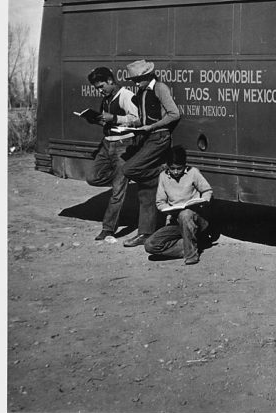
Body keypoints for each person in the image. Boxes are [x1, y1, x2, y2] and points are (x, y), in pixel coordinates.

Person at [121, 60, 181, 248]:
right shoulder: (143, 91)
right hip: (148, 137)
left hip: (159, 138)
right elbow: (145, 118)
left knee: (128, 169)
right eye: (133, 80)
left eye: (138, 80)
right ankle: (145, 233)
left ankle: (160, 173)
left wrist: (152, 127)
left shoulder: (160, 88)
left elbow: (174, 114)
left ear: (148, 76)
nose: (136, 83)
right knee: (146, 191)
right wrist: (132, 124)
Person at [84, 67, 140, 241]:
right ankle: (122, 180)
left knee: (117, 190)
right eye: (97, 88)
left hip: (123, 144)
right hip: (107, 143)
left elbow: (137, 119)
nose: (100, 91)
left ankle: (108, 229)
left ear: (110, 80)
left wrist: (114, 118)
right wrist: (96, 120)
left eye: (101, 86)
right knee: (92, 177)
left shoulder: (126, 95)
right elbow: (108, 123)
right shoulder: (106, 98)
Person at [144, 146, 213, 265]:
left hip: (196, 220)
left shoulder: (193, 172)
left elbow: (207, 191)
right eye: (172, 168)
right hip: (176, 221)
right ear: (167, 166)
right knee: (150, 245)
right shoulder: (163, 176)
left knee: (185, 214)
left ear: (185, 165)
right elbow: (160, 202)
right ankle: (190, 245)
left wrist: (203, 201)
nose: (175, 172)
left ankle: (191, 255)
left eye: (179, 168)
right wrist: (167, 209)